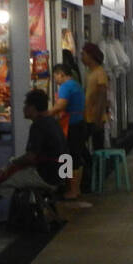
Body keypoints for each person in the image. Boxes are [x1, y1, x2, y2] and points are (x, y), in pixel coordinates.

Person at [0, 89, 69, 200]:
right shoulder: (52, 122)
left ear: (32, 108)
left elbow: (30, 157)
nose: (23, 108)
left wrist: (11, 164)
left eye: (26, 105)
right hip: (61, 174)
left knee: (2, 182)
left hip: (48, 175)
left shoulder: (38, 125)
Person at [51, 65, 87, 202]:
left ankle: (71, 190)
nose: (55, 80)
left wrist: (48, 114)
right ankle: (76, 189)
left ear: (60, 74)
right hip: (79, 124)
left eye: (55, 77)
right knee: (76, 156)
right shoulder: (76, 85)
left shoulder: (66, 87)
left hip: (71, 126)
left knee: (68, 157)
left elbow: (61, 105)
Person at [81, 42, 111, 154]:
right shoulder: (89, 72)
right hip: (89, 116)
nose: (81, 58)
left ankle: (99, 169)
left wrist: (97, 118)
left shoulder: (99, 73)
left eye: (83, 55)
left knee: (97, 148)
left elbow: (102, 96)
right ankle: (92, 167)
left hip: (96, 118)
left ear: (90, 56)